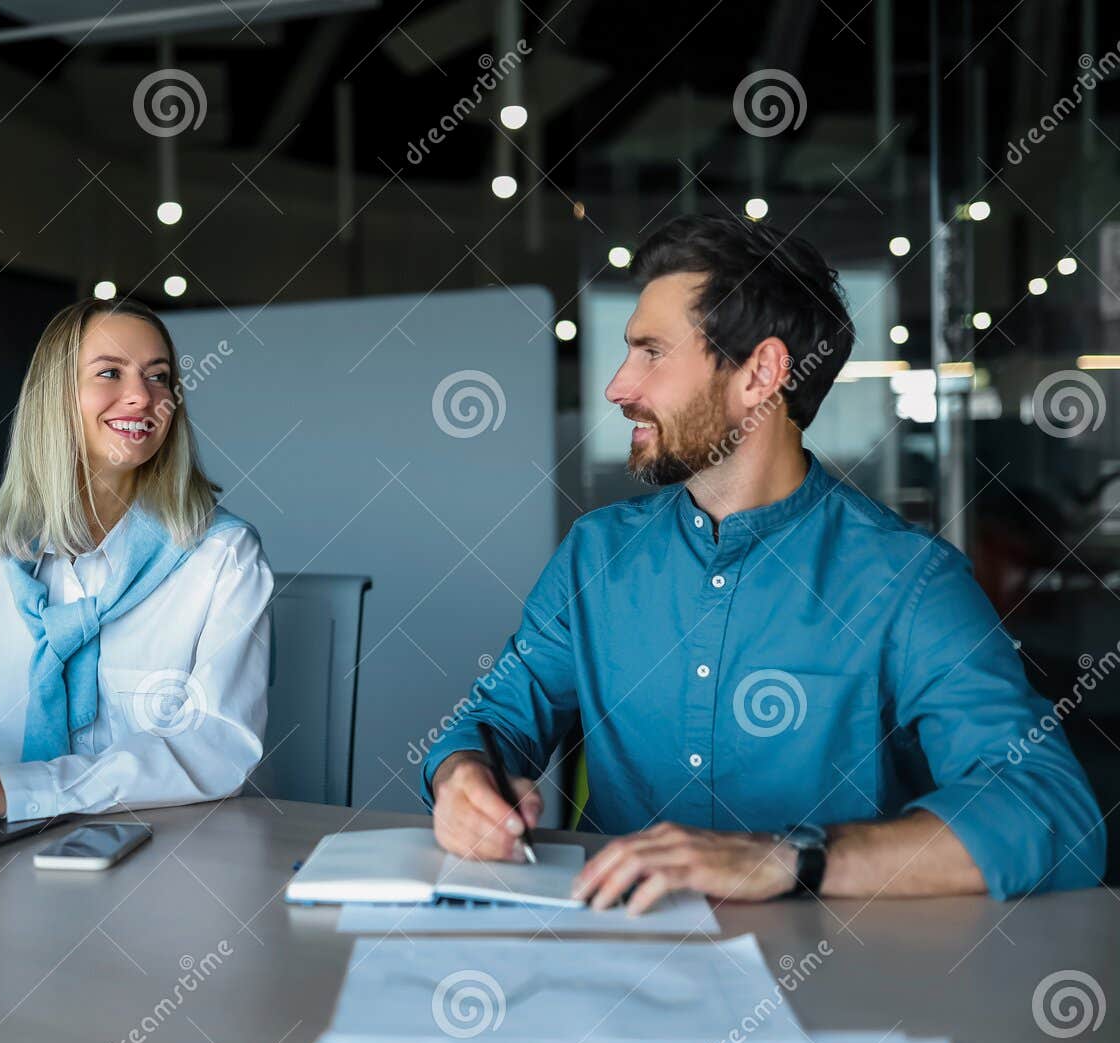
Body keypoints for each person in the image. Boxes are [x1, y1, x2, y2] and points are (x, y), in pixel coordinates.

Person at [423, 213, 1105, 908]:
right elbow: (493, 721)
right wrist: (463, 777)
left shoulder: (908, 581)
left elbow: (1050, 812)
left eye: (652, 353)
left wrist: (785, 858)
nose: (618, 387)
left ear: (761, 373)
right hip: (605, 956)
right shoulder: (595, 555)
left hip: (827, 982)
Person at [0, 298, 273, 835]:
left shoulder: (223, 557)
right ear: (56, 398)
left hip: (171, 854)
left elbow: (215, 744)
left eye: (159, 377)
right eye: (110, 373)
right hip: (5, 849)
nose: (142, 395)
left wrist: (20, 789)